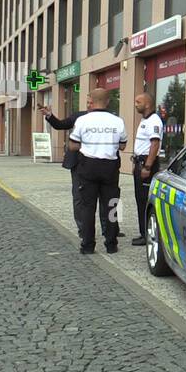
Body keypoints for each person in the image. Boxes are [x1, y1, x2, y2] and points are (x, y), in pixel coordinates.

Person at [39, 98, 123, 239]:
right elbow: (60, 125)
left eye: (92, 102)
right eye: (88, 102)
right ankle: (84, 230)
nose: (90, 105)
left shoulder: (113, 119)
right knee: (80, 199)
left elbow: (121, 142)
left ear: (103, 102)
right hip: (81, 165)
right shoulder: (79, 117)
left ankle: (112, 230)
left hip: (108, 166)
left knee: (112, 199)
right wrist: (49, 115)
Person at [67, 88, 127, 255]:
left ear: (91, 101)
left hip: (88, 167)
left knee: (87, 207)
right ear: (108, 101)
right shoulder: (118, 121)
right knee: (113, 205)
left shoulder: (83, 120)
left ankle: (87, 245)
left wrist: (87, 145)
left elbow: (72, 145)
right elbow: (122, 145)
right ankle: (111, 244)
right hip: (110, 168)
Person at [130, 93, 164, 246]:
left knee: (145, 200)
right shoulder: (145, 120)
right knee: (140, 199)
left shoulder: (154, 121)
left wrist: (147, 166)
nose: (135, 104)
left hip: (146, 164)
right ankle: (143, 232)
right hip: (140, 162)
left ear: (148, 104)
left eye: (138, 101)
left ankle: (147, 234)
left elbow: (154, 145)